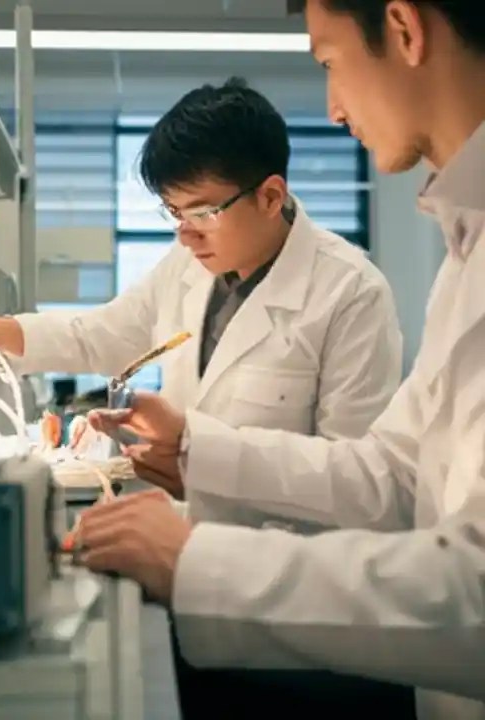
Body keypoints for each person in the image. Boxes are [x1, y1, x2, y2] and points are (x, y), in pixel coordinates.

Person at [79, 2, 485, 718]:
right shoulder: (466, 249)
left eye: (329, 63)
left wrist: (194, 562)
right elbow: (388, 472)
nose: (331, 110)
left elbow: (473, 589)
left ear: (403, 29)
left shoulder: (359, 282)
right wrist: (196, 447)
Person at [0, 77, 403, 536]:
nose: (185, 233)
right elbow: (99, 335)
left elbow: (354, 488)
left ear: (271, 196)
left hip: (285, 583)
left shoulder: (350, 294)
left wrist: (202, 467)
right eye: (174, 212)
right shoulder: (189, 264)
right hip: (185, 552)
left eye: (202, 213)